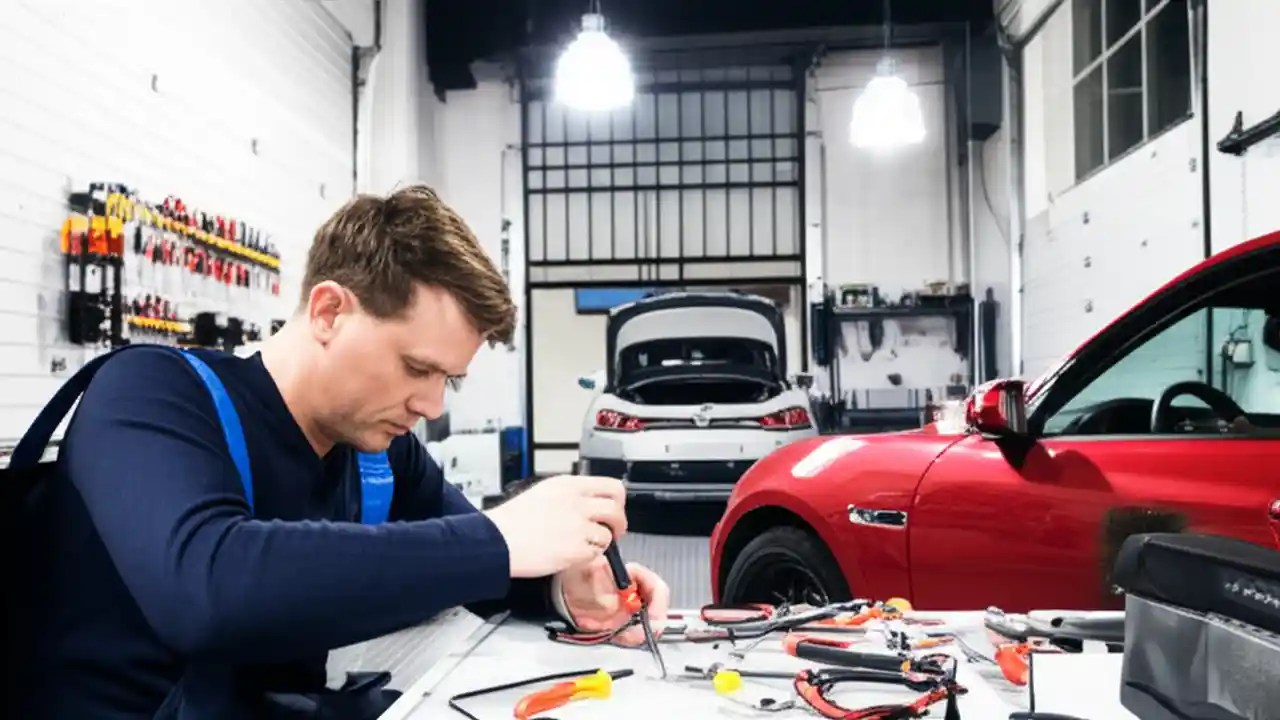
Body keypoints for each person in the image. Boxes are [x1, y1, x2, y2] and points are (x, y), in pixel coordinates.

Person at [9, 184, 671, 719]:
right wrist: (501, 538)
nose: (433, 405)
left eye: (448, 379)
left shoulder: (376, 451)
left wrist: (565, 589)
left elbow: (476, 569)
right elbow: (207, 591)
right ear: (329, 312)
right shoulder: (151, 395)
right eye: (418, 368)